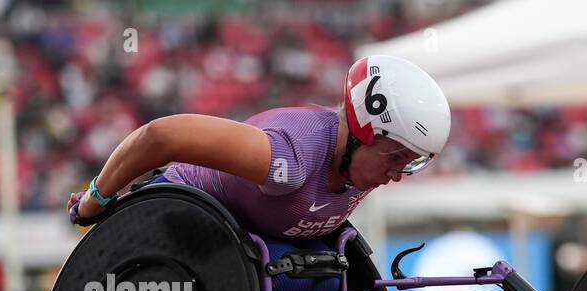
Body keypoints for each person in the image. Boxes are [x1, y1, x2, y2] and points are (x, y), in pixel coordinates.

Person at [67, 55, 450, 242]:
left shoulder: (362, 168)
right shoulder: (287, 159)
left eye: (411, 164)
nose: (398, 174)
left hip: (243, 242)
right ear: (362, 131)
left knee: (315, 282)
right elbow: (159, 137)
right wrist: (95, 200)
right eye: (397, 157)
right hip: (172, 223)